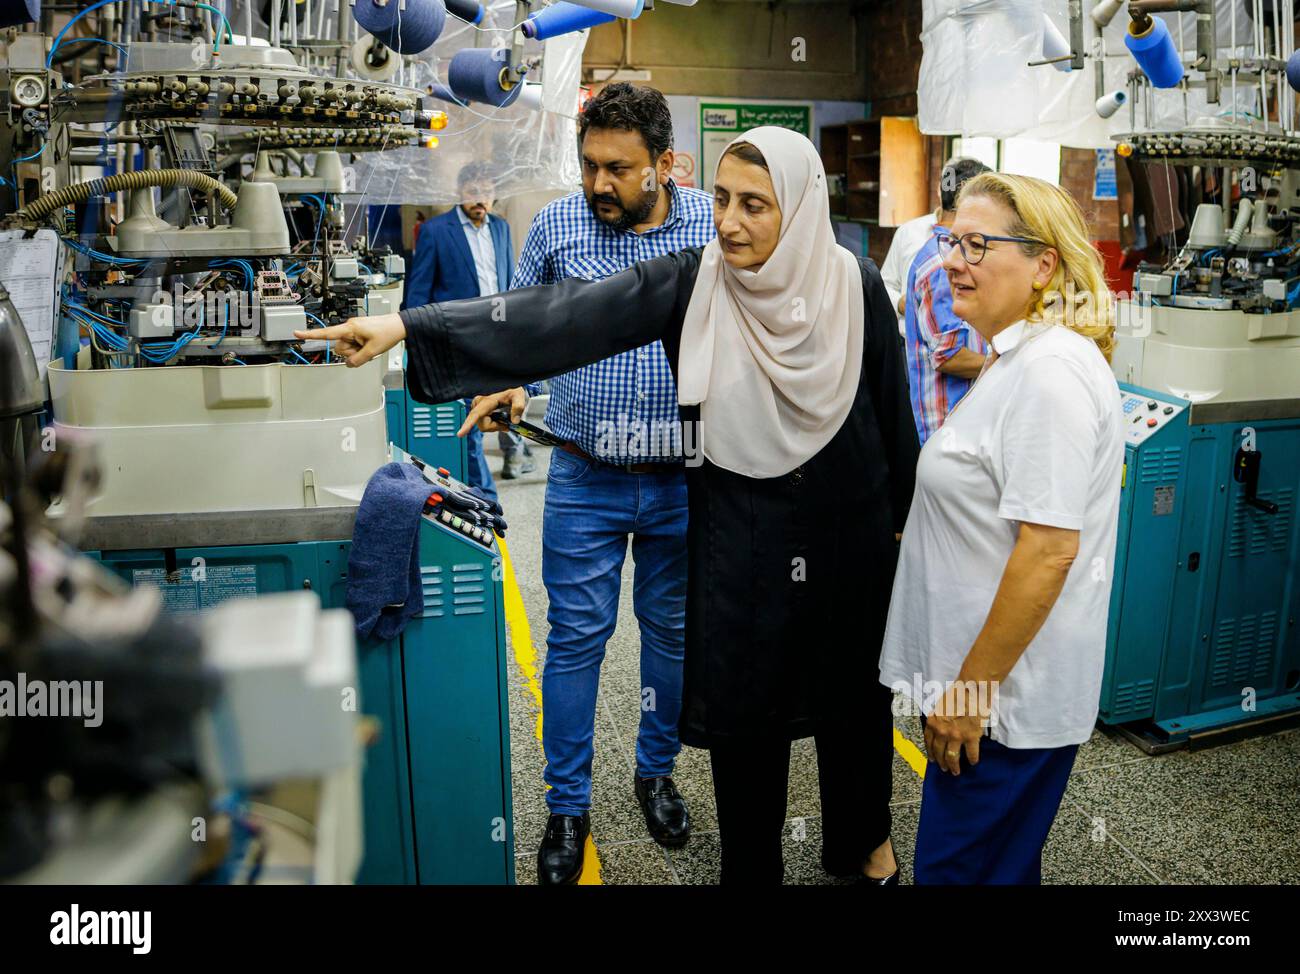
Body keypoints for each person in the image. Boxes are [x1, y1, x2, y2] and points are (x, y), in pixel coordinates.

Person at [296, 126, 918, 886]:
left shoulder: (853, 284)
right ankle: (750, 868)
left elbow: (894, 417)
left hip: (847, 539)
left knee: (854, 708)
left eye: (756, 205)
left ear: (801, 206)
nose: (729, 221)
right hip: (744, 541)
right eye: (721, 199)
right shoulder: (697, 282)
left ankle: (863, 845)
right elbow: (567, 315)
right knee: (745, 722)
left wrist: (903, 532)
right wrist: (405, 326)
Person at [462, 83, 715, 884]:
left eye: (619, 168)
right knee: (574, 643)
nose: (599, 184)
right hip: (583, 472)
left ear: (664, 164)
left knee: (672, 635)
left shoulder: (713, 223)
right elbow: (522, 327)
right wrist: (509, 382)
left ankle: (656, 772)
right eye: (588, 165)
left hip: (684, 475)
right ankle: (567, 805)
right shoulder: (558, 226)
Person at [878, 172, 1123, 885]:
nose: (952, 259)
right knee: (1000, 869)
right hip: (984, 691)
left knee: (961, 871)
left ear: (1043, 263)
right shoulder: (1015, 359)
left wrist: (966, 696)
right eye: (953, 240)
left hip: (1002, 704)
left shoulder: (1051, 374)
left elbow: (1048, 552)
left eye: (977, 245)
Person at [403, 163, 533, 506]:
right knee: (472, 414)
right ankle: (486, 499)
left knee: (505, 403)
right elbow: (417, 294)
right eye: (474, 192)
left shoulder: (501, 228)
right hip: (459, 339)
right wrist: (418, 338)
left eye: (487, 192)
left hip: (501, 335)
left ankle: (514, 453)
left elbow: (509, 280)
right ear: (461, 193)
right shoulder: (435, 231)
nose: (481, 199)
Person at [902, 158, 991, 444]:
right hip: (947, 429)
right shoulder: (943, 263)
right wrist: (1008, 364)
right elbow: (949, 357)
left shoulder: (959, 253)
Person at [880, 206, 939, 334]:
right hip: (908, 345)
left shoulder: (977, 234)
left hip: (964, 348)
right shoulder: (909, 232)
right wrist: (901, 304)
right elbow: (886, 285)